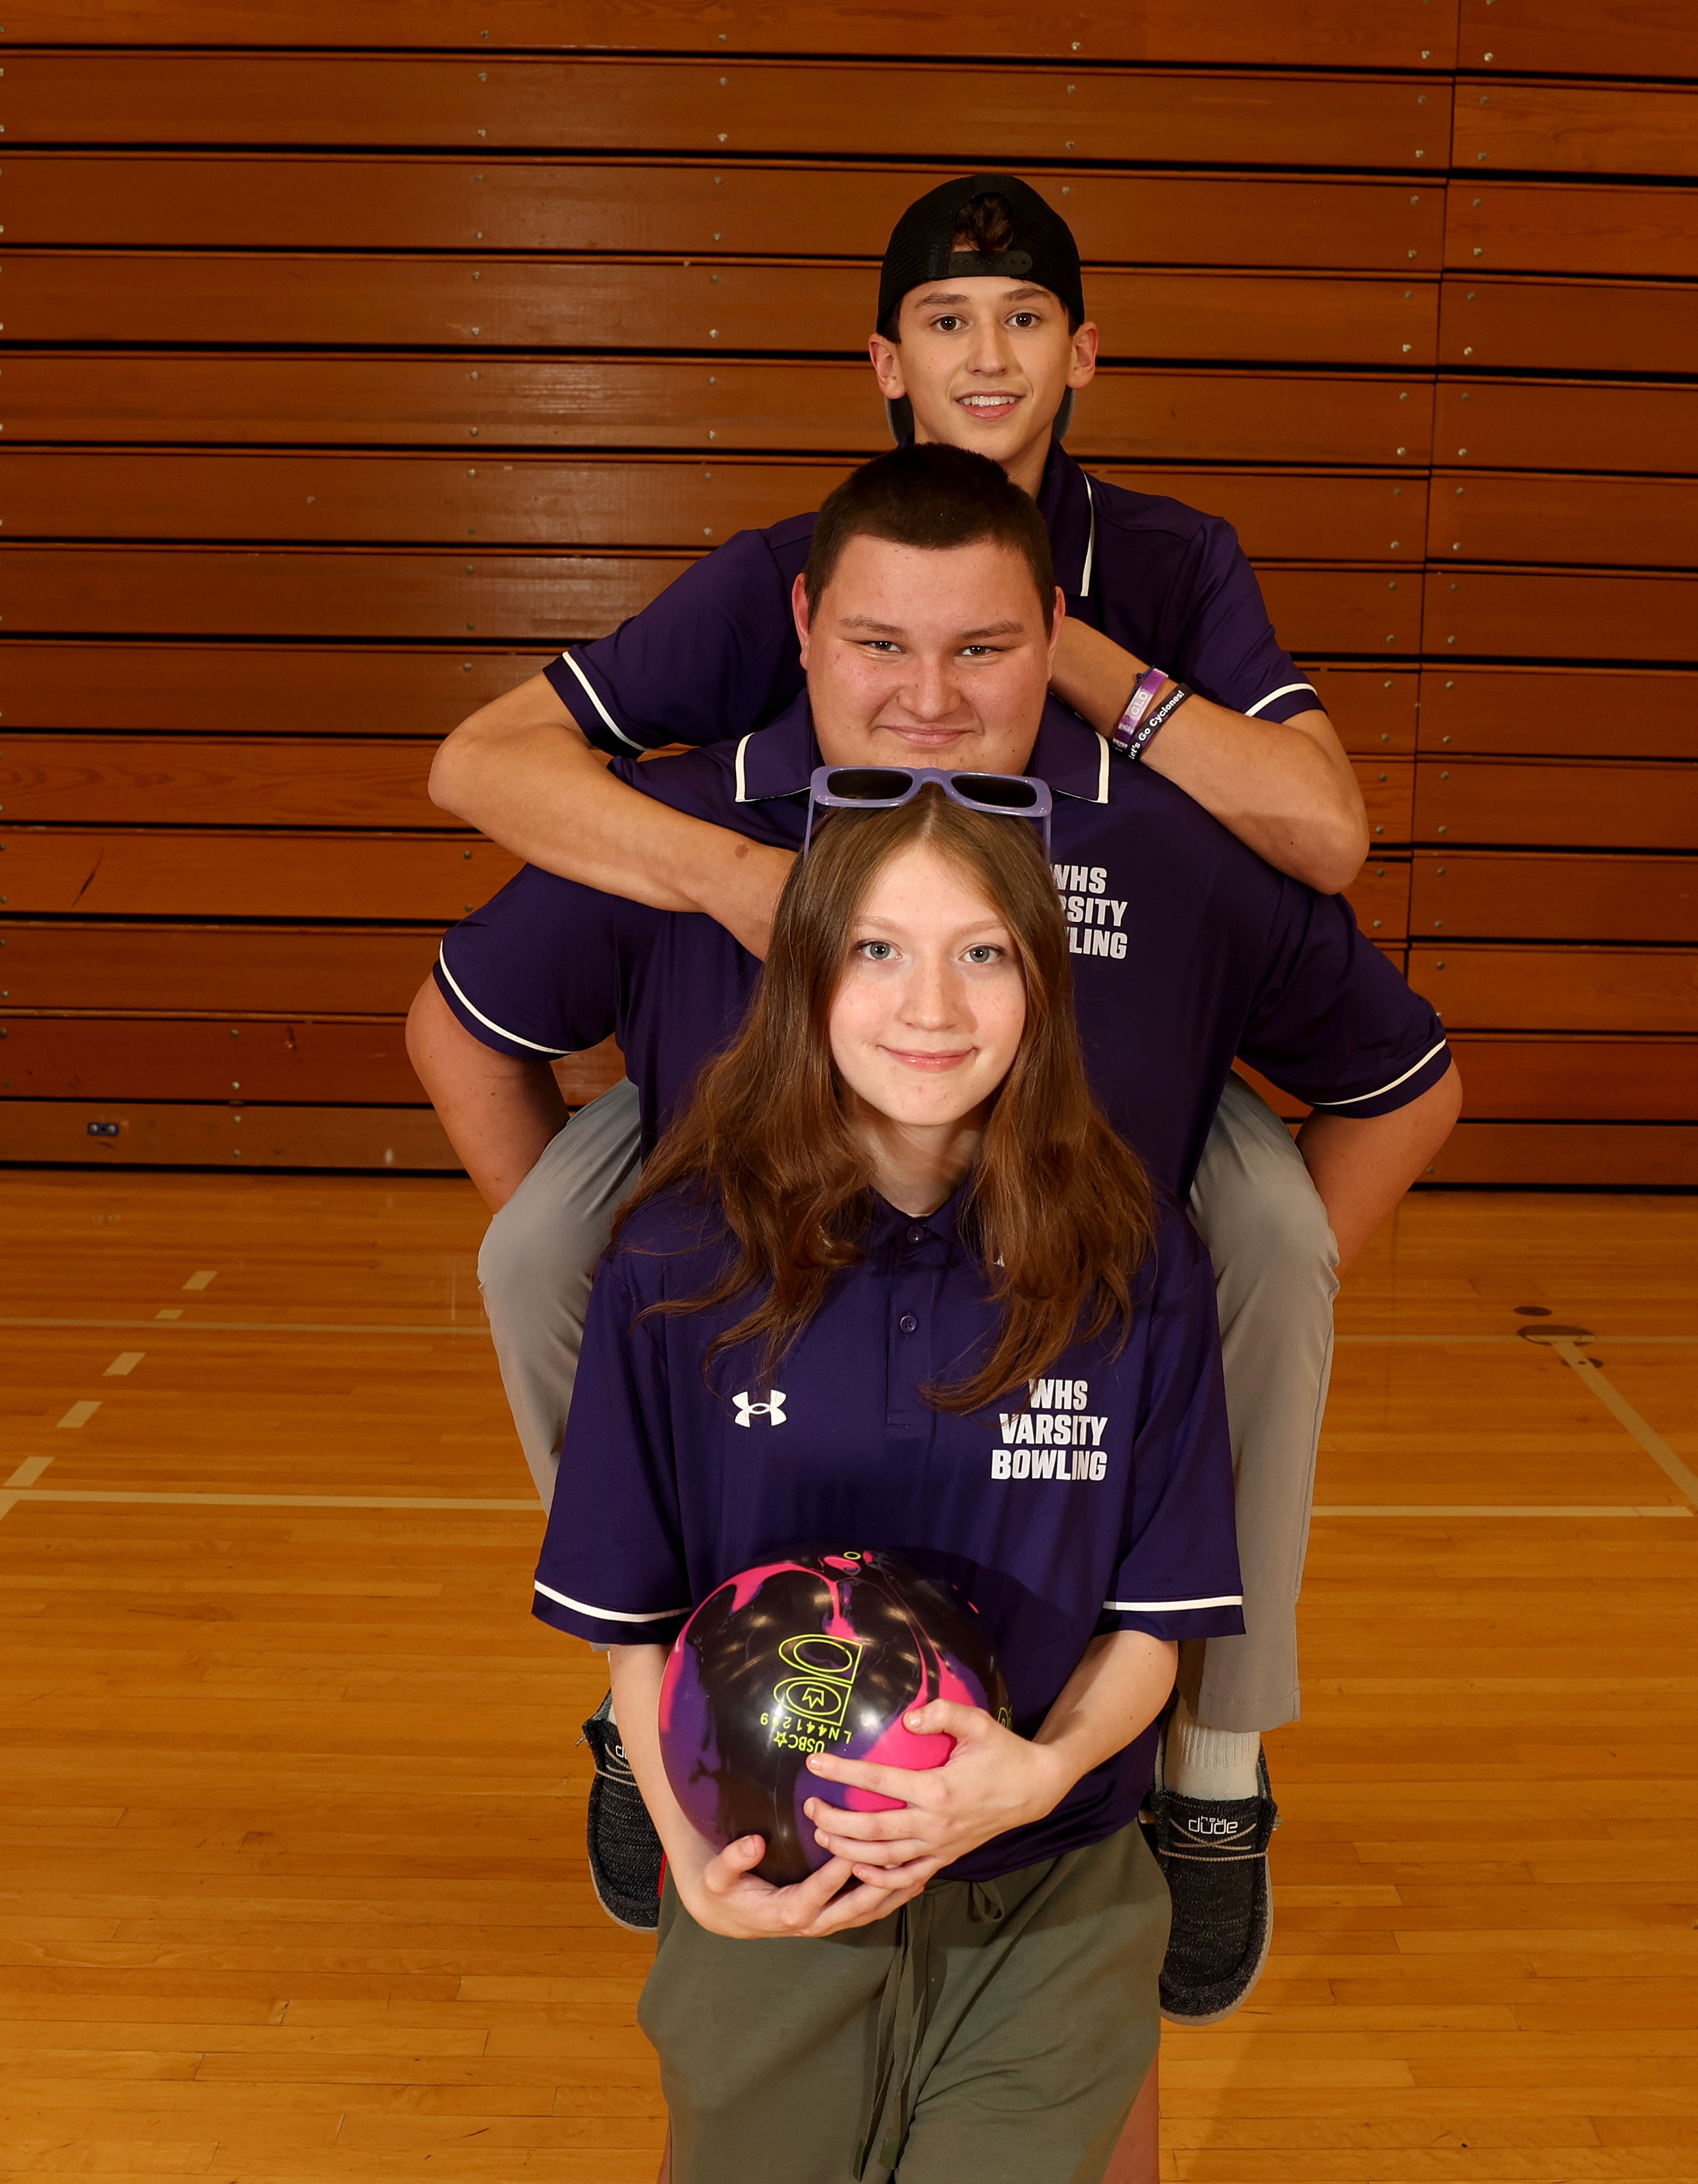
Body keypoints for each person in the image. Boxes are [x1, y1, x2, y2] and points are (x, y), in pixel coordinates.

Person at [411, 444, 1463, 2023]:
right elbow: (460, 1009)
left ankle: (1211, 1768)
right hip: (765, 1253)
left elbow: (1401, 1068)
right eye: (879, 646)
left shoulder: (1161, 837)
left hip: (1060, 1273)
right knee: (543, 1254)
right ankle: (665, 1685)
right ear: (803, 629)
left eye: (980, 649)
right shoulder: (697, 818)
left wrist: (1176, 1353)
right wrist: (667, 1326)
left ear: (1053, 635)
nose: (927, 696)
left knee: (1268, 1246)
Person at [532, 782, 1244, 2183]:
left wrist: (1034, 1778)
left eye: (983, 952)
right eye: (876, 949)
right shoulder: (677, 1262)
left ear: (1041, 984)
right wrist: (696, 1868)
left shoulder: (1137, 1260)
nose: (933, 1004)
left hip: (1047, 1892)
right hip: (769, 1893)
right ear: (806, 978)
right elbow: (633, 1632)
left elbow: (1155, 1632)